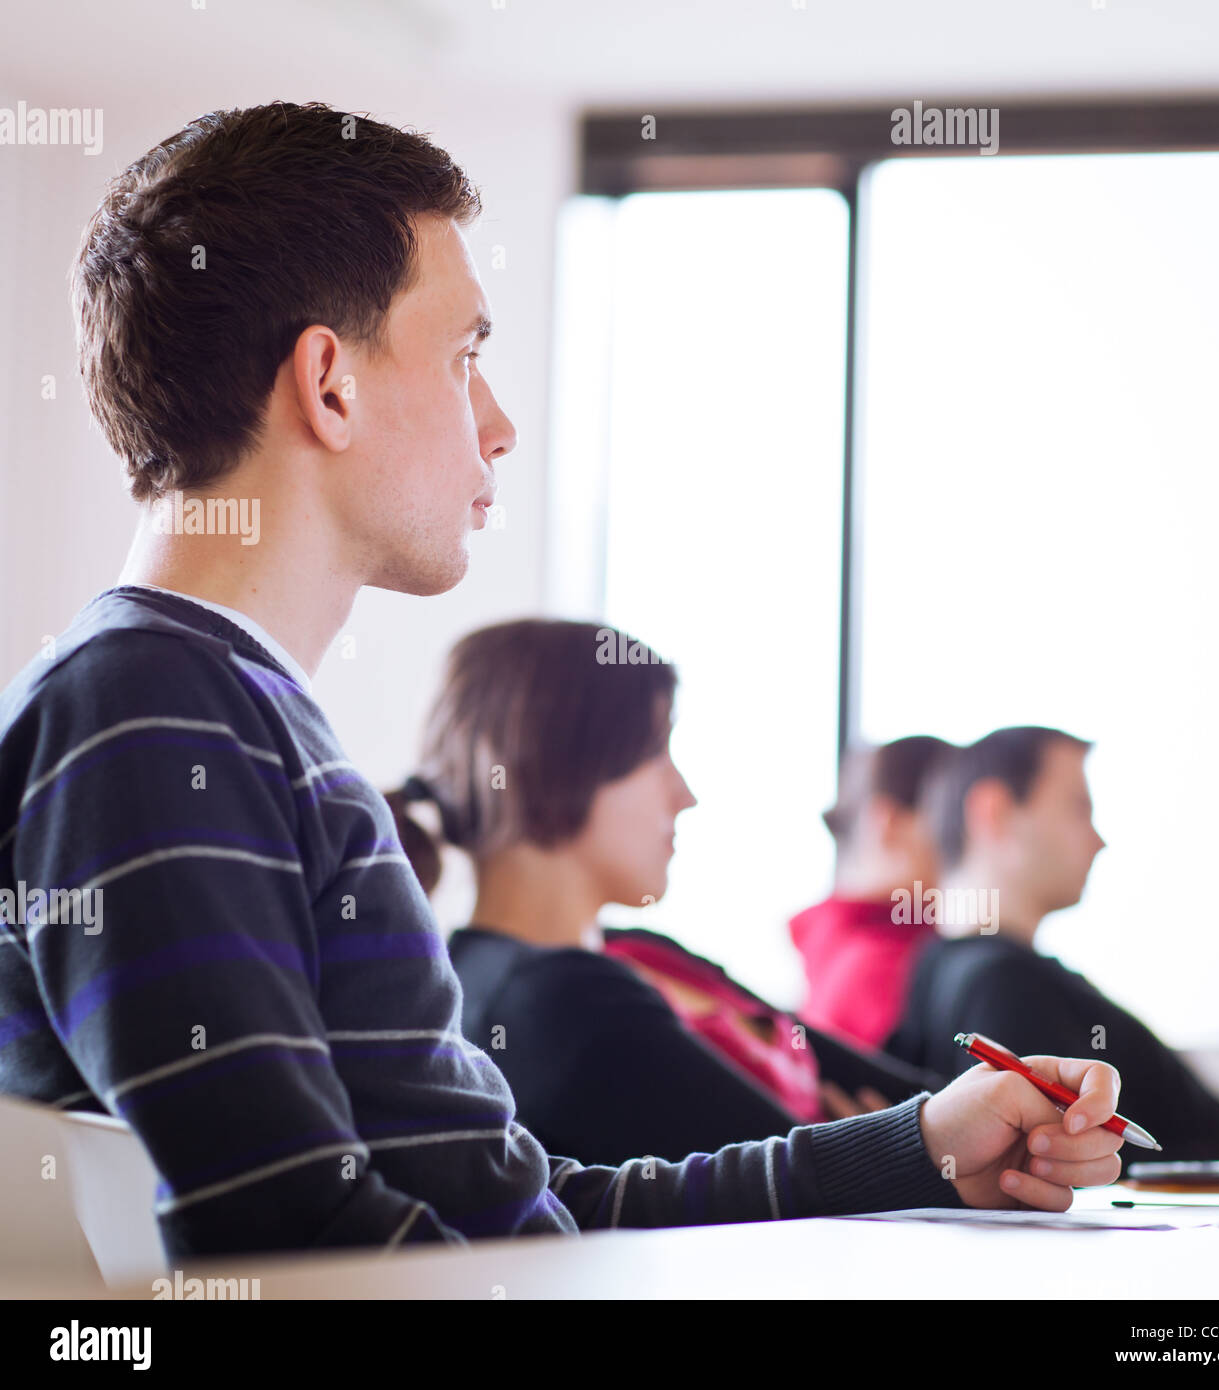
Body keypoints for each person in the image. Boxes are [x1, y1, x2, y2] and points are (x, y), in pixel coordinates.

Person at [0, 102, 1124, 1261]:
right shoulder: (148, 711)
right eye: (464, 357)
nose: (499, 425)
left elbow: (522, 1220)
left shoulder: (221, 712)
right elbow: (291, 1244)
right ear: (329, 385)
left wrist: (921, 1145)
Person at [387, 618, 946, 1167]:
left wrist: (898, 1138)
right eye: (657, 753)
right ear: (559, 765)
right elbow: (813, 1180)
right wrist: (881, 1146)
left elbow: (915, 1106)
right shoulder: (550, 1000)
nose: (685, 795)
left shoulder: (638, 950)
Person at [886, 725, 1219, 1167]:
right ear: (994, 812)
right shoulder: (1004, 983)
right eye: (1080, 809)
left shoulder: (932, 969)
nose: (1099, 841)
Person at [790, 737, 954, 1050]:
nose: (964, 839)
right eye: (950, 819)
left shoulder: (840, 947)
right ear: (891, 825)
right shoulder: (884, 968)